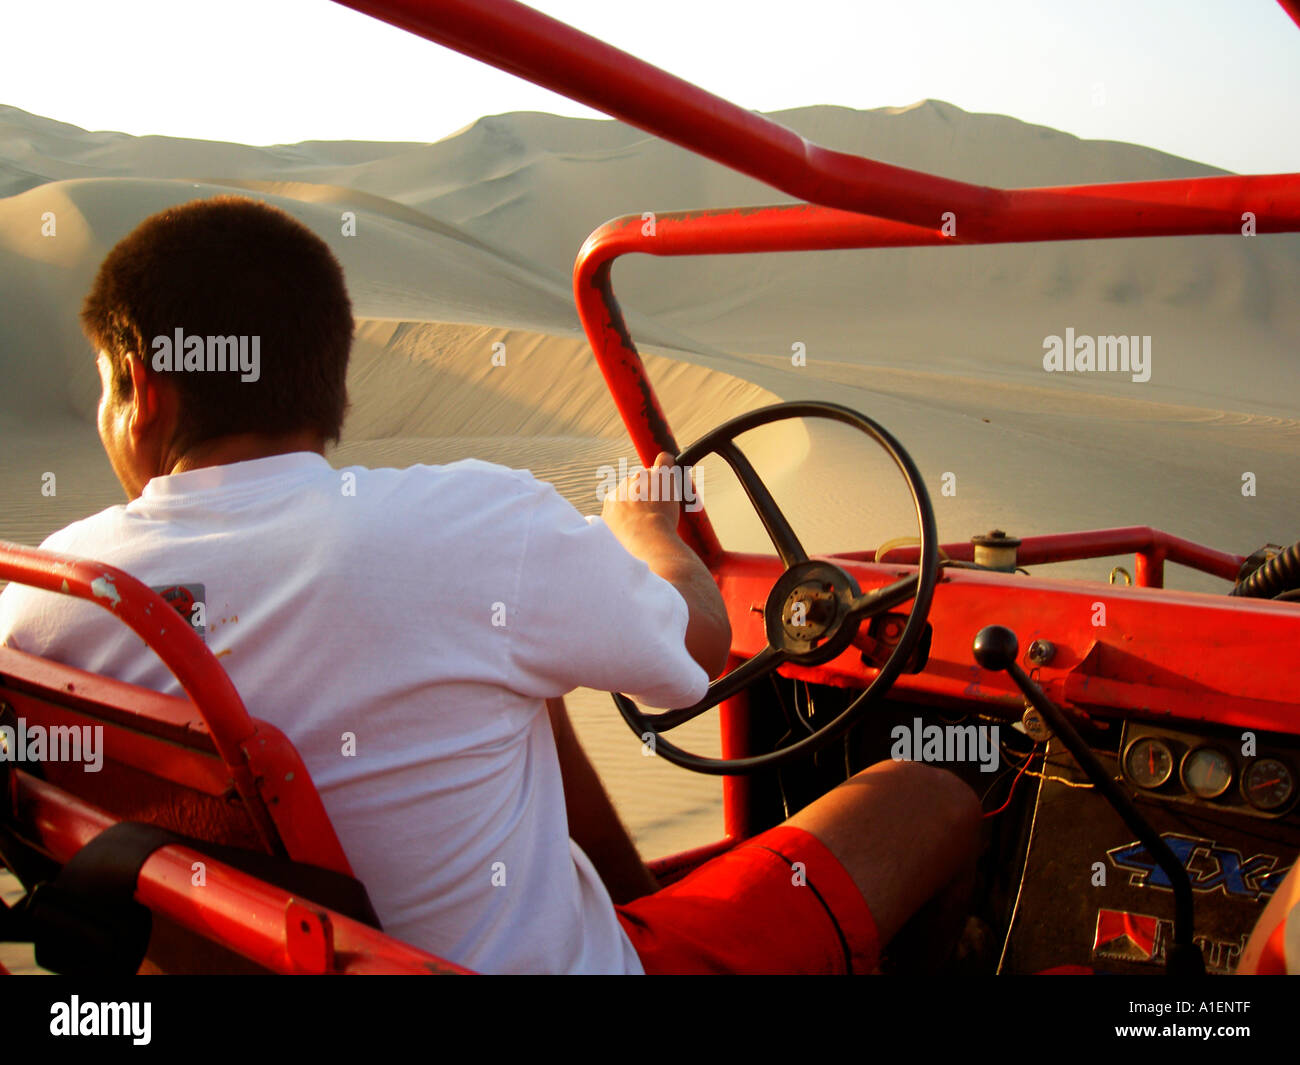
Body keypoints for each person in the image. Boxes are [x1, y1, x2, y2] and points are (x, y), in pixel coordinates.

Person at [0, 195, 981, 974]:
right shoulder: (469, 529)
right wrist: (649, 536)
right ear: (332, 380)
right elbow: (694, 649)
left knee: (520, 686)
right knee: (924, 794)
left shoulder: (41, 606)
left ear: (144, 388)